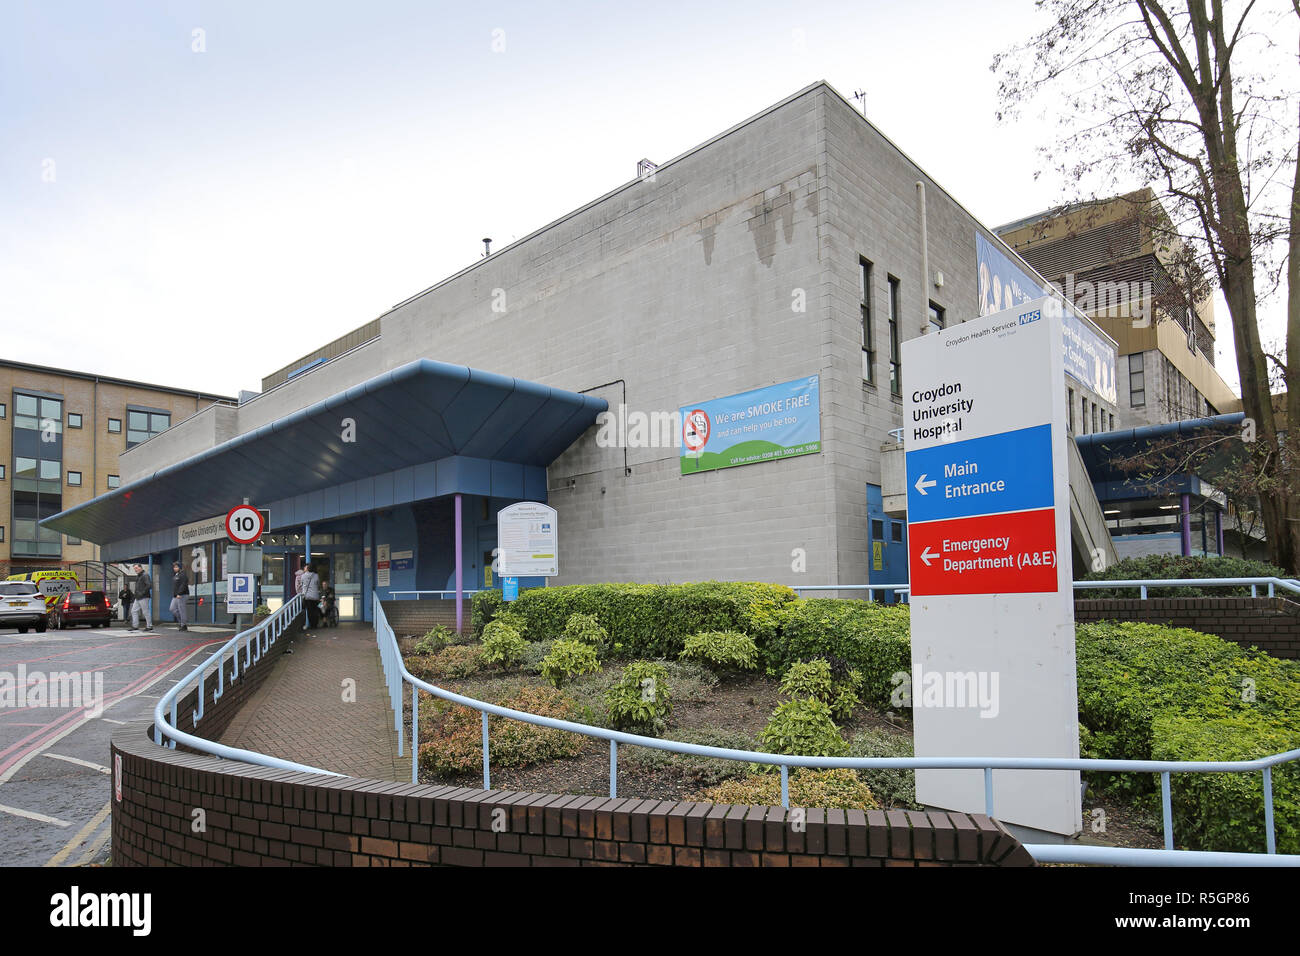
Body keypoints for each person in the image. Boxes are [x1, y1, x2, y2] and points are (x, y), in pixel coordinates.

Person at [297, 561, 321, 634]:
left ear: (308, 568)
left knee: (308, 612)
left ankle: (308, 625)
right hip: (315, 596)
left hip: (307, 596)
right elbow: (318, 584)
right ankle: (315, 625)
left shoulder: (303, 576)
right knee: (315, 611)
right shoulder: (316, 575)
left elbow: (301, 584)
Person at [129, 564, 153, 631]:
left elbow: (149, 585)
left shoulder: (145, 575)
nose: (135, 569)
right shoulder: (139, 576)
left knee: (145, 611)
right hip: (138, 597)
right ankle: (135, 626)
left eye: (136, 568)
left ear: (140, 568)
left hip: (144, 596)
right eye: (134, 568)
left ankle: (149, 626)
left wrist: (142, 593)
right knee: (133, 611)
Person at [171, 561, 190, 631]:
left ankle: (184, 625)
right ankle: (181, 622)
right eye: (174, 567)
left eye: (176, 567)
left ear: (180, 567)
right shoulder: (176, 575)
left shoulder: (183, 574)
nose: (175, 568)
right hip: (176, 596)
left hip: (182, 595)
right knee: (172, 609)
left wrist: (180, 593)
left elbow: (184, 584)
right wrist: (175, 594)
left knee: (182, 610)